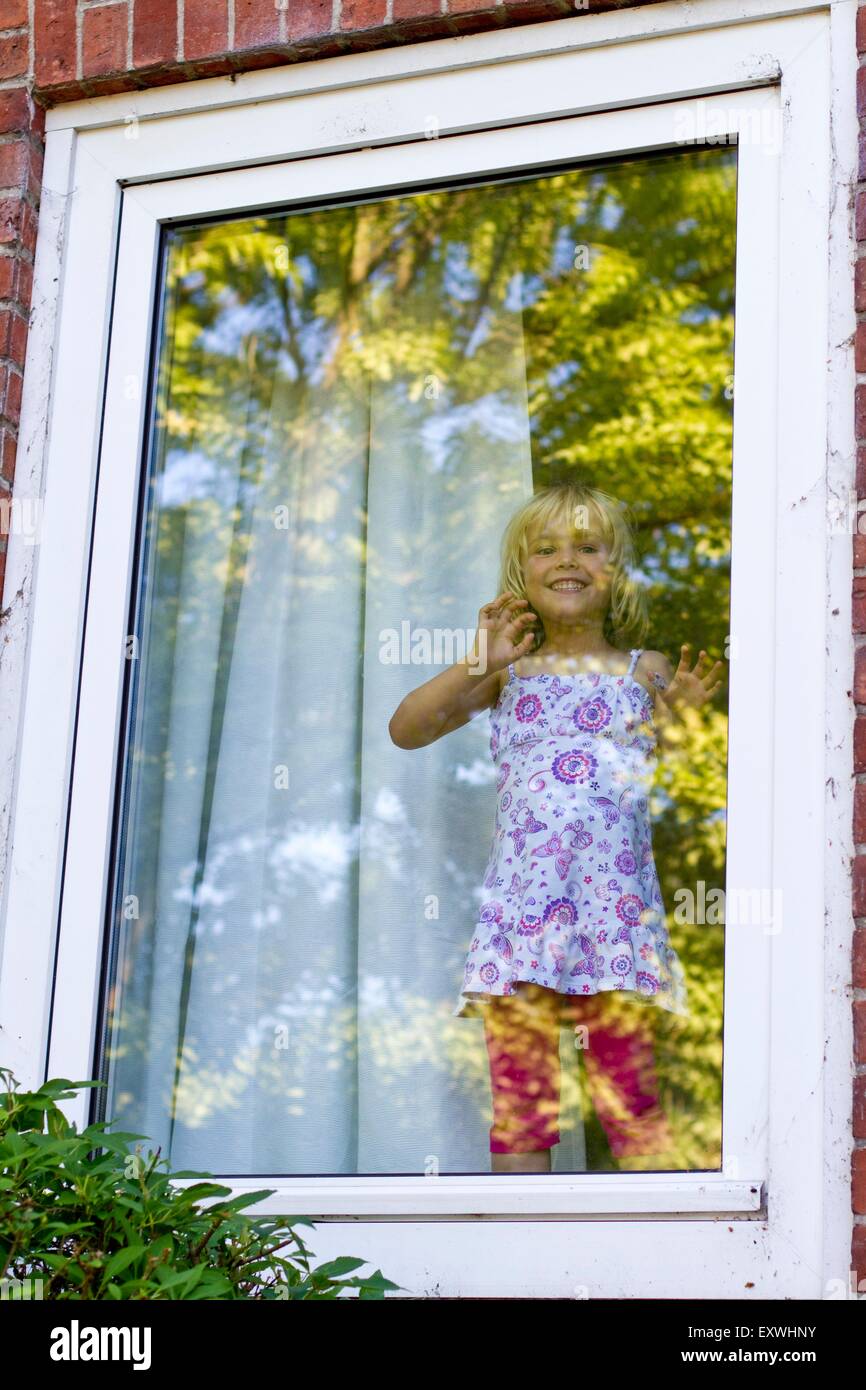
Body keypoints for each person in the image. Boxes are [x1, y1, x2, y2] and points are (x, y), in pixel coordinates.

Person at [389, 481, 724, 1173]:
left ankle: (658, 1266)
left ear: (615, 571)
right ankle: (519, 1263)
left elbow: (696, 773)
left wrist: (689, 721)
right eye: (547, 548)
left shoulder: (645, 671)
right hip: (523, 922)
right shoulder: (506, 676)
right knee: (522, 1112)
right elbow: (408, 729)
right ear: (522, 572)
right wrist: (479, 660)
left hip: (615, 916)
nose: (566, 559)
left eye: (587, 546)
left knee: (631, 1102)